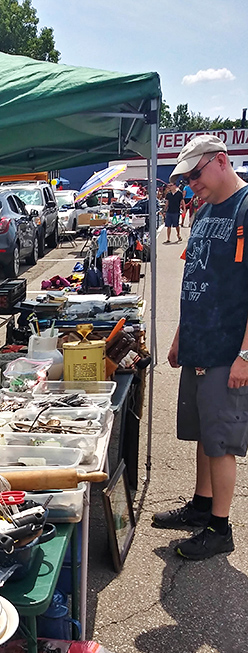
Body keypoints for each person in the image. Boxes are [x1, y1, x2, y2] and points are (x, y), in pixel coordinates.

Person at [153, 134, 248, 559]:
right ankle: (201, 505)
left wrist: (245, 354)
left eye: (196, 174)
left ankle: (220, 527)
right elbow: (197, 276)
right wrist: (179, 335)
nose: (191, 185)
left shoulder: (246, 207)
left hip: (228, 350)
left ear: (222, 161)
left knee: (222, 441)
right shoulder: (207, 210)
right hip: (197, 342)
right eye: (187, 178)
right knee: (201, 434)